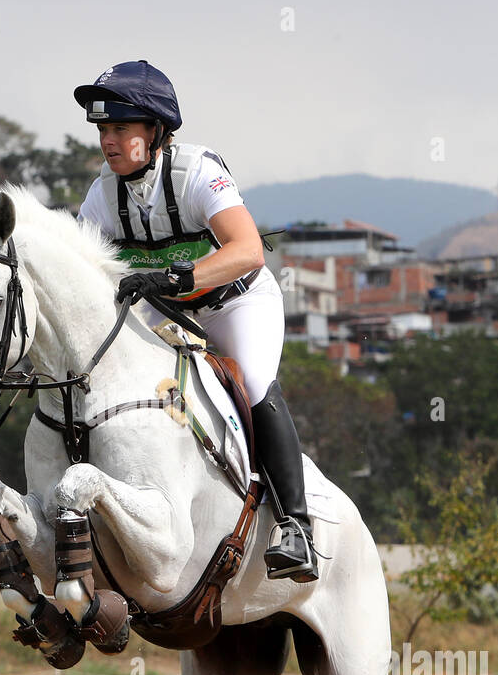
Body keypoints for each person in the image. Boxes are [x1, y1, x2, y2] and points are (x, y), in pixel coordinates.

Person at [72, 60, 318, 583]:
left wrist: (175, 278)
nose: (107, 141)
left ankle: (296, 526)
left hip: (235, 304)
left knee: (253, 385)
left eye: (120, 128)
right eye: (102, 130)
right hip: (165, 315)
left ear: (155, 130)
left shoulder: (196, 172)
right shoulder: (101, 197)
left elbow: (248, 250)